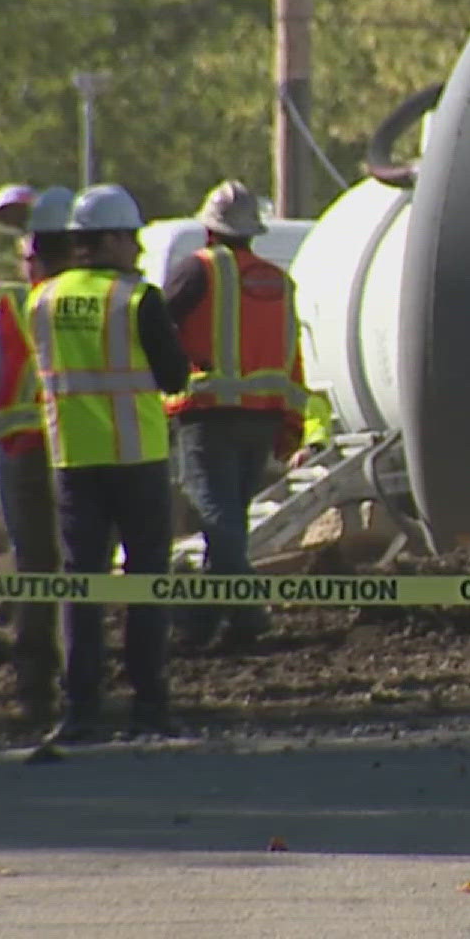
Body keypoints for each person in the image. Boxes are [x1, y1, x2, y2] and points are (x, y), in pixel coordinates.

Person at [26, 184, 191, 744]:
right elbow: (173, 377)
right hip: (137, 456)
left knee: (81, 586)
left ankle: (81, 709)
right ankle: (149, 705)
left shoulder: (42, 299)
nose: (138, 249)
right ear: (112, 239)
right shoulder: (137, 299)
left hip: (72, 458)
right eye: (132, 238)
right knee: (147, 584)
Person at [163, 181, 309, 647]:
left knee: (219, 522)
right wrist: (292, 422)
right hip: (262, 418)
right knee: (230, 524)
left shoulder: (198, 270)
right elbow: (293, 356)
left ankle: (249, 615)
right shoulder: (279, 281)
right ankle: (204, 627)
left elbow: (155, 326)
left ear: (209, 231)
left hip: (210, 416)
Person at [0, 187, 76, 723]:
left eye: (29, 253)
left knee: (40, 566)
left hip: (26, 448)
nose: (24, 261)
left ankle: (42, 682)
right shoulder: (29, 301)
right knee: (63, 565)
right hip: (51, 447)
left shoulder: (16, 304)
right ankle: (59, 679)